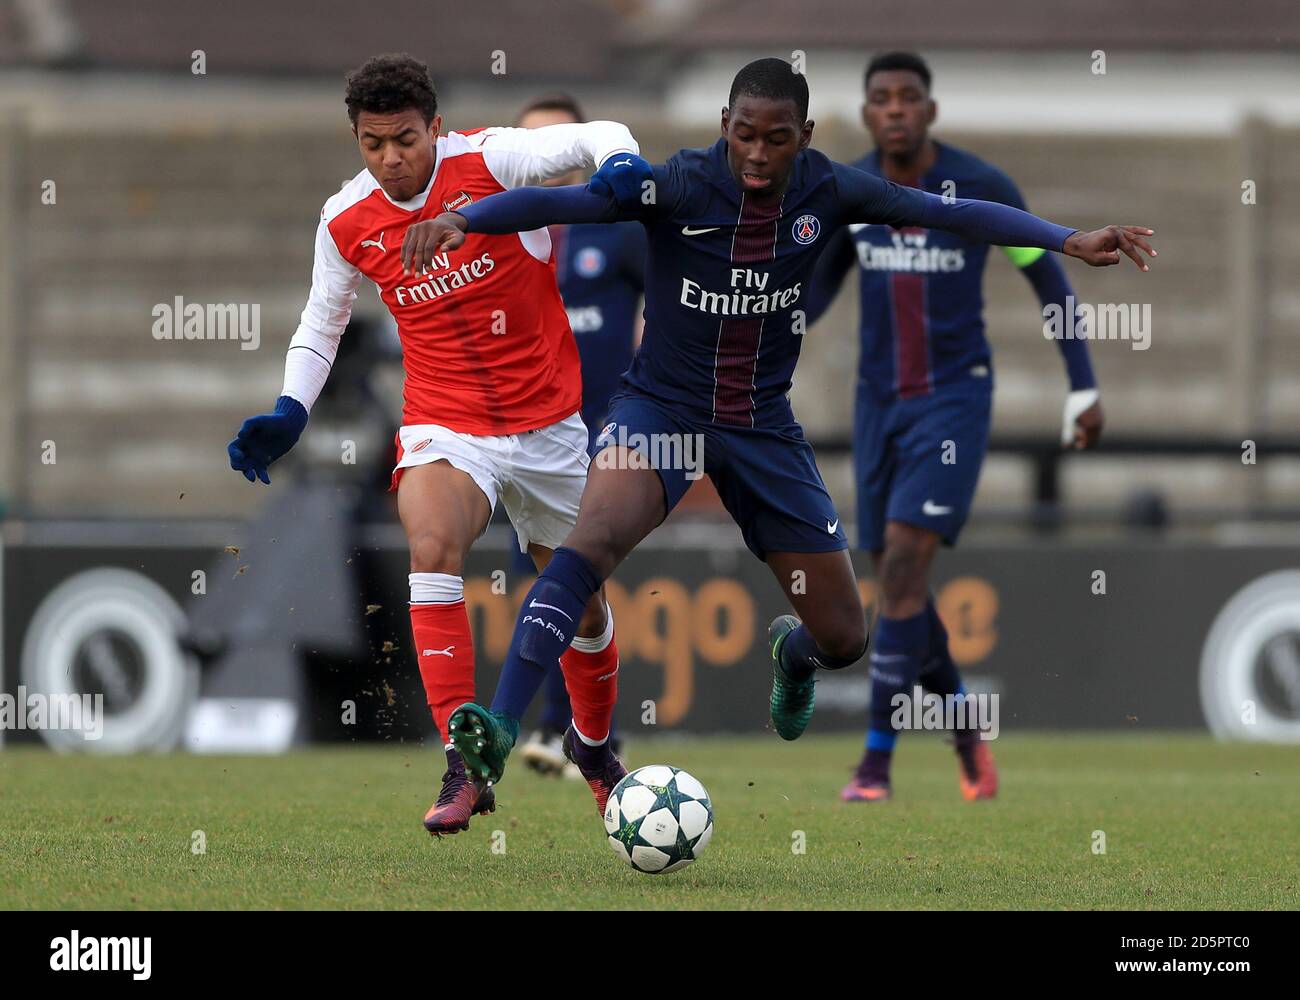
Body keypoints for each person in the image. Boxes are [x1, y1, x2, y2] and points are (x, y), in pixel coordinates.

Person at [400, 57, 1155, 816]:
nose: (759, 155)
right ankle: (494, 732)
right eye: (745, 135)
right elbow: (557, 204)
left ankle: (790, 651)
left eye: (778, 139)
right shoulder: (679, 184)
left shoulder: (830, 189)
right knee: (587, 547)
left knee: (843, 638)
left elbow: (954, 214)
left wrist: (1066, 240)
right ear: (723, 127)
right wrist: (465, 217)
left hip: (762, 428)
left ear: (807, 137)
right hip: (662, 411)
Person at [226, 53, 651, 835]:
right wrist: (290, 409)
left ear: (436, 128)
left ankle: (593, 749)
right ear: (356, 139)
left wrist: (621, 160)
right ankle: (466, 763)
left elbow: (602, 133)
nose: (391, 158)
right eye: (372, 142)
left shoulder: (489, 159)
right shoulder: (345, 219)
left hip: (551, 425)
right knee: (431, 544)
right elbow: (321, 324)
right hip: (447, 425)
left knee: (584, 611)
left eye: (406, 140)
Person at [804, 51, 1102, 803]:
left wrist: (1082, 385)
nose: (896, 109)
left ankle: (875, 764)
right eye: (882, 99)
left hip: (954, 403)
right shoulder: (853, 193)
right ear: (868, 113)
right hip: (878, 406)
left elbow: (1046, 274)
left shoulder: (980, 187)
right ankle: (967, 729)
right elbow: (810, 297)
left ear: (930, 111)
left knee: (903, 565)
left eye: (909, 97)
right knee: (899, 582)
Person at [512, 93, 646, 776]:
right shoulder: (509, 233)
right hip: (527, 435)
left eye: (558, 144)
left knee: (578, 573)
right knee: (548, 581)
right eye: (530, 145)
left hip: (602, 433)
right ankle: (581, 733)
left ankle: (571, 731)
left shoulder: (617, 227)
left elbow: (668, 307)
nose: (546, 161)